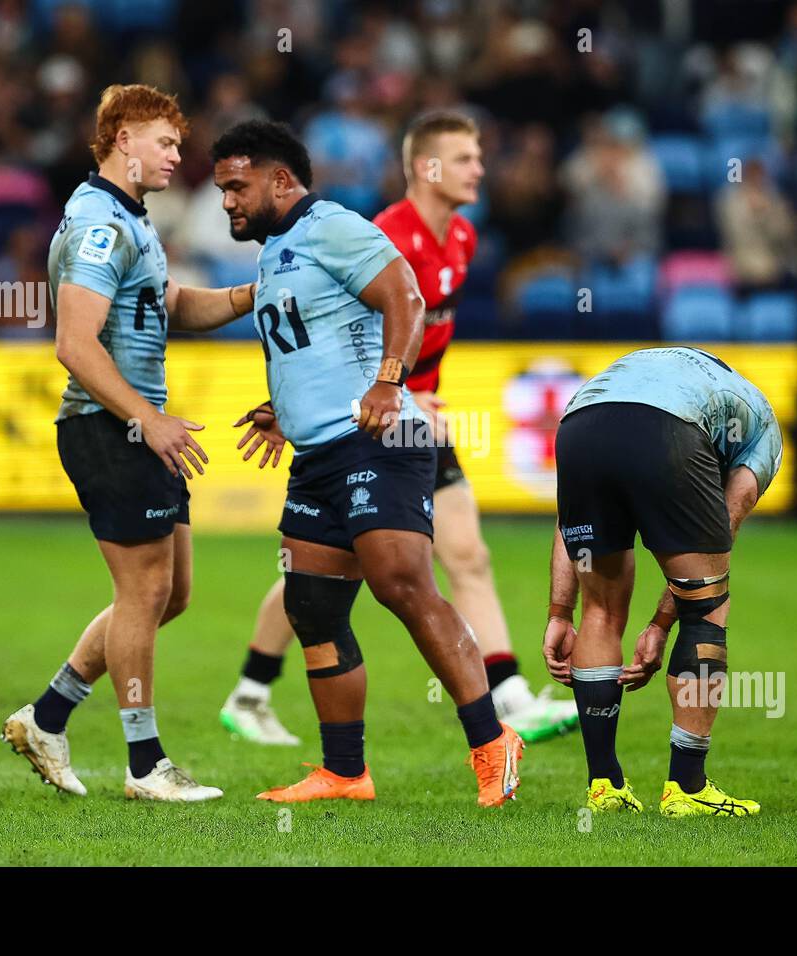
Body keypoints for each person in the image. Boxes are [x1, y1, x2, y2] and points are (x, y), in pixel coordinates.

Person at [220, 111, 578, 746]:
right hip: (376, 422)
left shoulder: (462, 238)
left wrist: (415, 396)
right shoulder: (382, 234)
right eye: (465, 158)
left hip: (414, 419)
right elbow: (338, 333)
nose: (479, 169)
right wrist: (384, 391)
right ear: (426, 167)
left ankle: (509, 694)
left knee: (466, 554)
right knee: (335, 569)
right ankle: (251, 687)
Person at [1, 84, 256, 802]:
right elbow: (74, 346)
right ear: (122, 141)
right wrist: (148, 418)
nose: (180, 155)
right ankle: (146, 764)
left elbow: (172, 306)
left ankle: (48, 716)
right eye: (166, 142)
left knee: (168, 593)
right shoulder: (100, 225)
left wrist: (247, 296)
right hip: (109, 426)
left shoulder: (129, 219)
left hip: (134, 427)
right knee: (143, 589)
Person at [543, 346, 782, 816]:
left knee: (601, 609)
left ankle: (604, 787)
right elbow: (724, 529)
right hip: (667, 431)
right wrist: (661, 625)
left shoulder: (637, 376)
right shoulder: (762, 433)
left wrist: (559, 612)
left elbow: (564, 520)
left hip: (579, 425)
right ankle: (688, 788)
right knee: (707, 607)